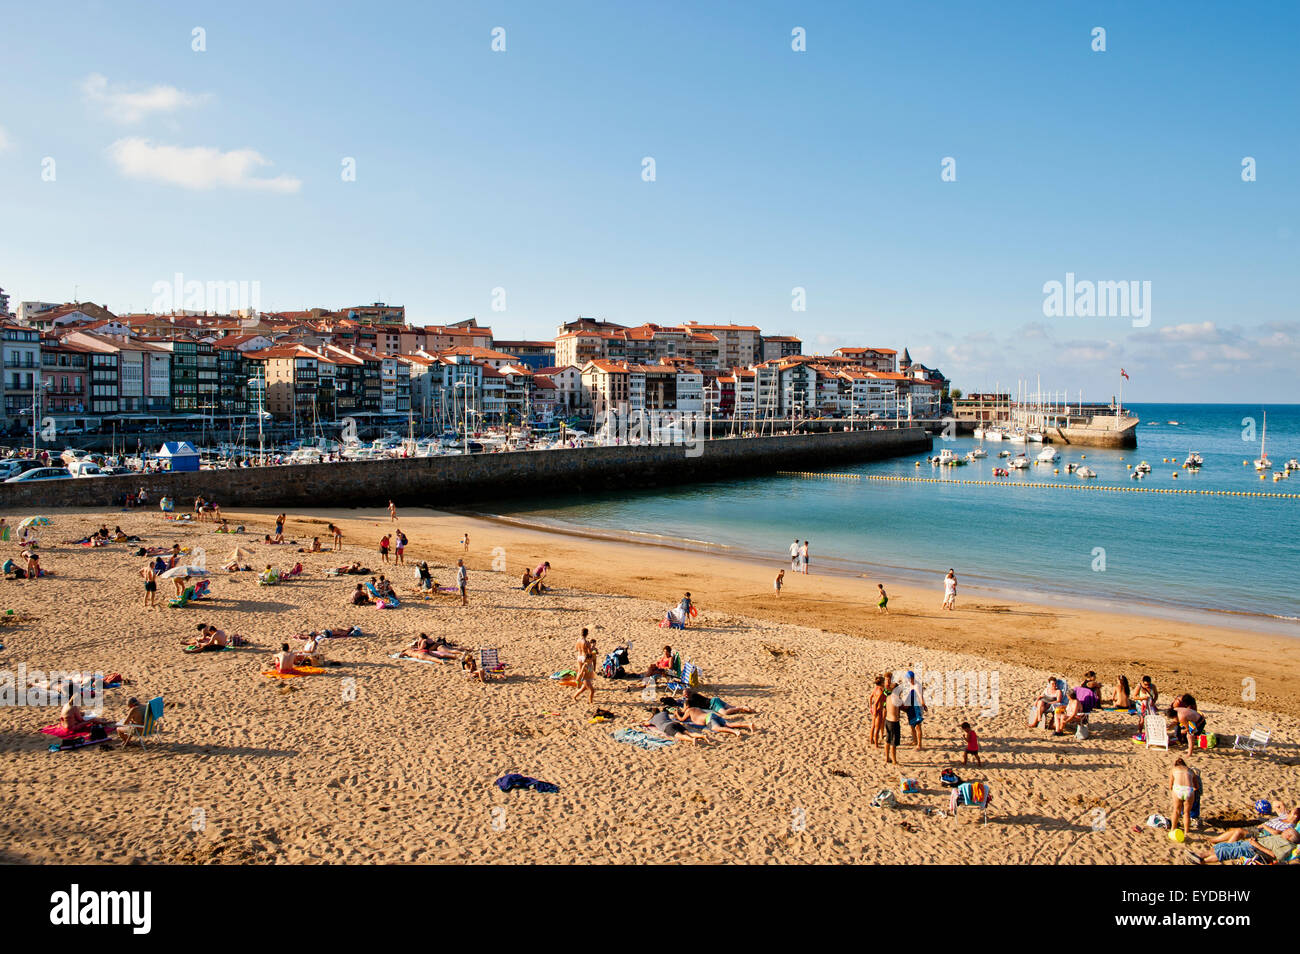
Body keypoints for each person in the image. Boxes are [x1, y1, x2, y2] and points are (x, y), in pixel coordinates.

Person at [1187, 826, 1298, 865]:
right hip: (1252, 843)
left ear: (1289, 836)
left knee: (1226, 852)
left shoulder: (1287, 846)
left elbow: (1273, 855)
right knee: (1222, 847)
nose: (1284, 830)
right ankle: (1199, 857)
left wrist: (1256, 844)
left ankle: (1199, 857)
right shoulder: (1281, 837)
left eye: (1286, 831)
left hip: (1254, 850)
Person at [1168, 757, 1195, 836]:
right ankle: (1187, 831)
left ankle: (1173, 828)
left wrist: (1173, 792)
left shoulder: (1174, 769)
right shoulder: (1190, 771)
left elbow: (1170, 785)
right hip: (1188, 790)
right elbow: (1196, 786)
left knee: (1176, 811)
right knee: (1187, 813)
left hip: (1178, 789)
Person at [883, 674, 901, 765]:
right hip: (894, 722)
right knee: (893, 743)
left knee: (887, 739)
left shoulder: (888, 697)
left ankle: (886, 757)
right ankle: (894, 760)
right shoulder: (896, 698)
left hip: (887, 720)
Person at [869, 675, 887, 748]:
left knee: (873, 726)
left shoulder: (875, 689)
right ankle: (876, 744)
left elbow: (870, 697)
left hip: (874, 709)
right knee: (877, 727)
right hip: (878, 710)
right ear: (882, 683)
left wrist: (871, 707)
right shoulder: (880, 691)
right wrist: (876, 709)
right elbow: (877, 702)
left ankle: (871, 739)